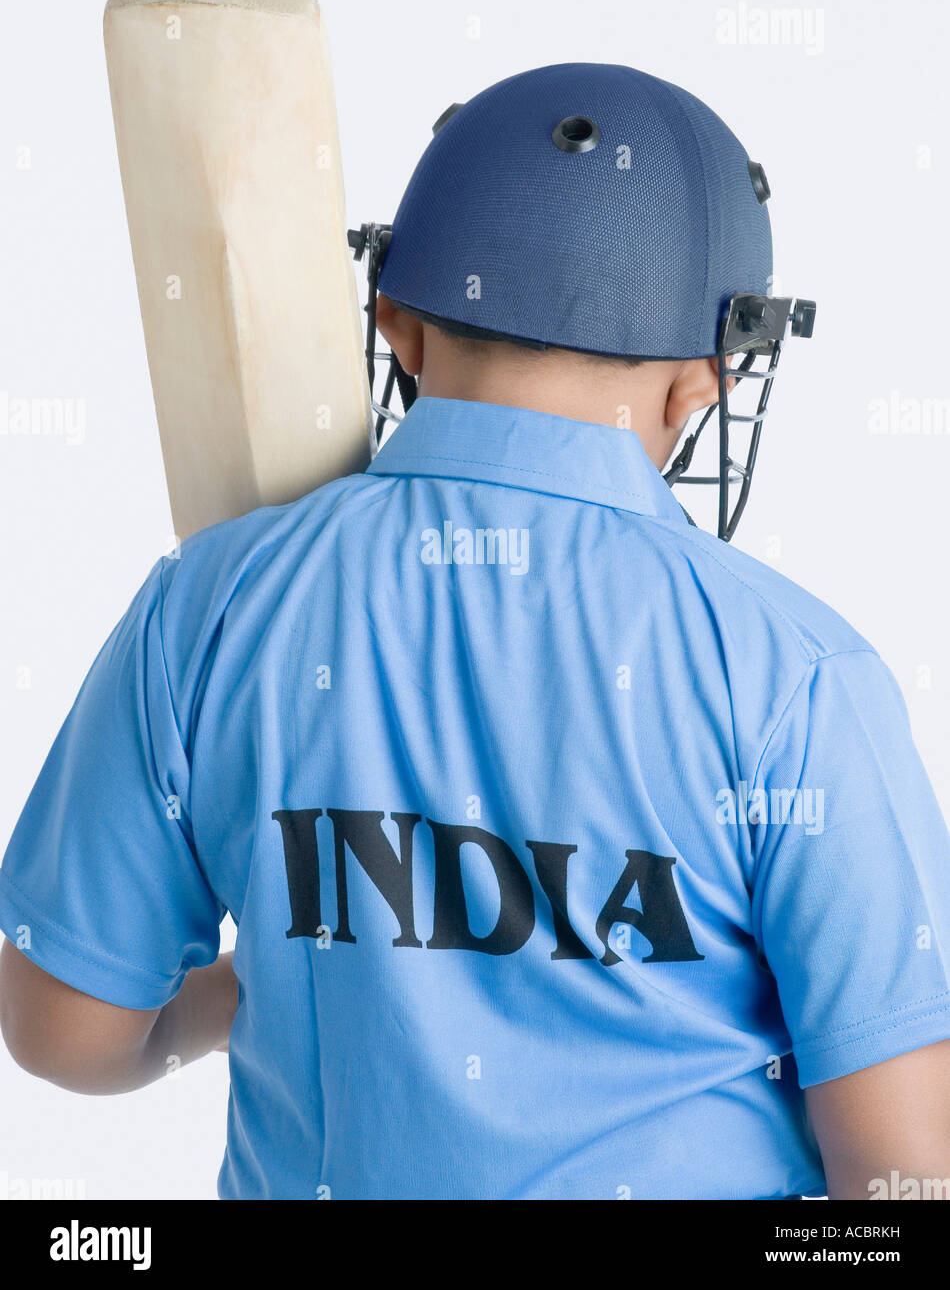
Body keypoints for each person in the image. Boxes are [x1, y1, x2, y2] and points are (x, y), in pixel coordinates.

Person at [2, 63, 950, 1201]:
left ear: (396, 327)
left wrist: (245, 985)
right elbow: (900, 1169)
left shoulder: (210, 598)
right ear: (700, 382)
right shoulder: (790, 670)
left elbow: (67, 1031)